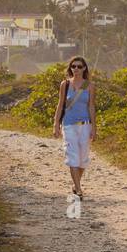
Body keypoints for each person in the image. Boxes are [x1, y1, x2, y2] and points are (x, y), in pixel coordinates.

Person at [52, 56, 96, 199]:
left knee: (83, 159)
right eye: (73, 66)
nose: (76, 69)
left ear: (84, 68)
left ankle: (75, 183)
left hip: (85, 125)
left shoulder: (89, 86)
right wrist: (56, 124)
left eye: (79, 66)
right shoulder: (65, 84)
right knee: (73, 157)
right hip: (69, 125)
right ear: (70, 68)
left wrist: (94, 127)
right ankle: (78, 189)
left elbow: (91, 107)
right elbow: (60, 105)